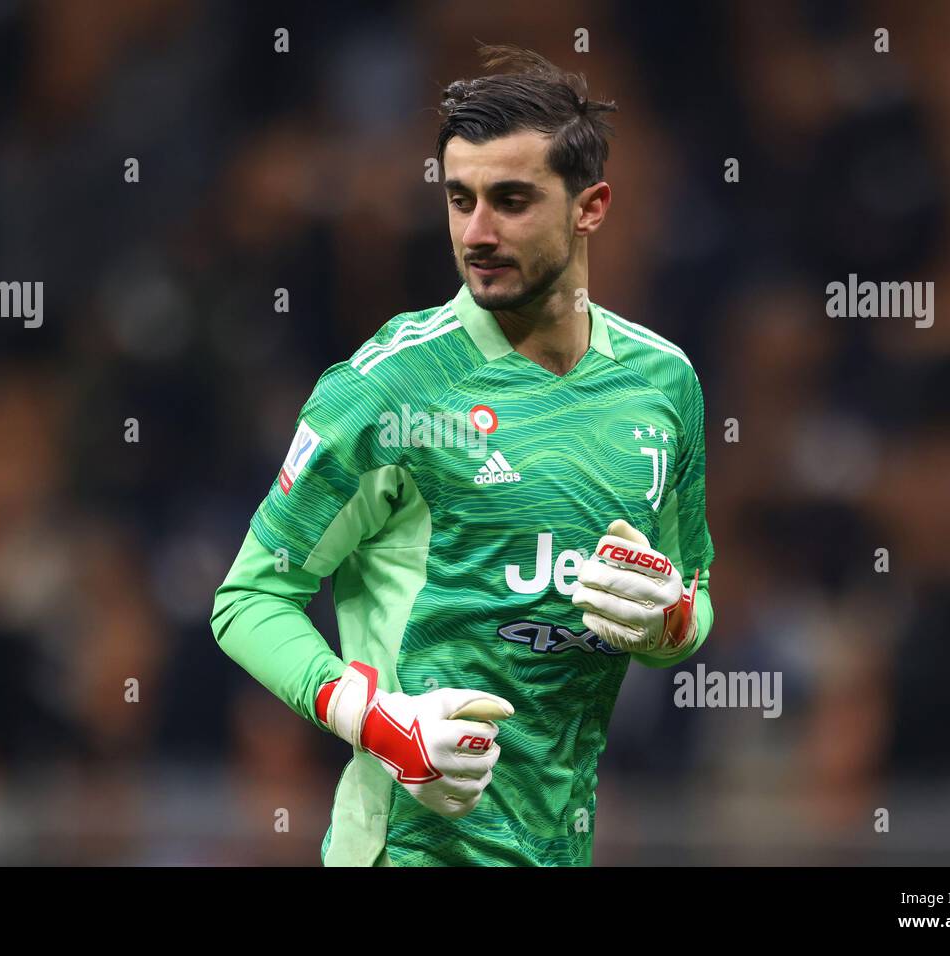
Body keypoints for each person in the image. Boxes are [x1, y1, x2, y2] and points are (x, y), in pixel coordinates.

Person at [211, 44, 715, 866]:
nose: (476, 233)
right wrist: (378, 720)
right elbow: (247, 599)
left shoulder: (664, 386)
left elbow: (692, 594)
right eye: (459, 199)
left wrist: (672, 621)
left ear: (591, 208)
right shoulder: (390, 387)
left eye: (511, 201)